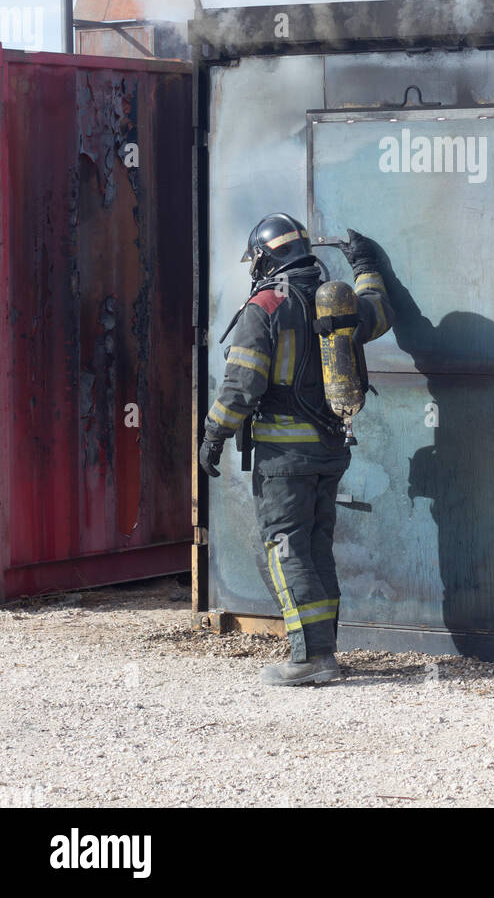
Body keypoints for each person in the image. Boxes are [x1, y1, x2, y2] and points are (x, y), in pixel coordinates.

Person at [199, 214, 393, 686]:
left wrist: (212, 435)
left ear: (265, 257)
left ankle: (310, 659)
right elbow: (379, 310)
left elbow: (240, 387)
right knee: (315, 550)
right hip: (330, 450)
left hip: (284, 457)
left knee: (286, 550)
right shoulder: (336, 303)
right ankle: (324, 651)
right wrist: (365, 262)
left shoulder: (265, 306)